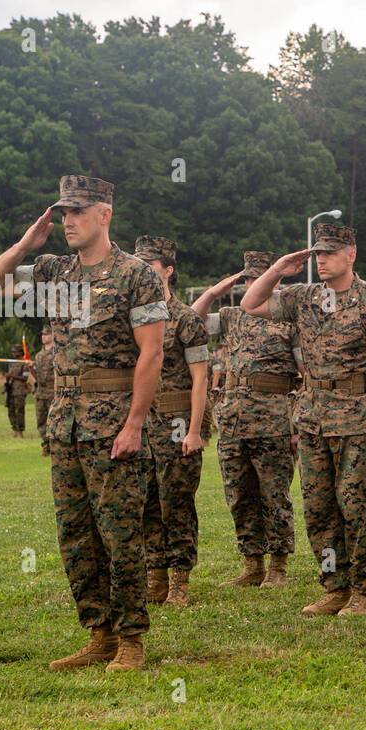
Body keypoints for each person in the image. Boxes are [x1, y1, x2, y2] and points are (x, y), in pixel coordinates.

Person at [0, 175, 168, 672]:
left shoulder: (135, 275)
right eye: (62, 212)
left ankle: (131, 640)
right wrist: (25, 243)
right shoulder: (52, 273)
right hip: (64, 423)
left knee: (120, 533)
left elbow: (152, 354)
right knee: (76, 534)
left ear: (105, 214)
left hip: (113, 423)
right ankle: (99, 633)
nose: (67, 221)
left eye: (77, 211)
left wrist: (134, 425)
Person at [239, 224, 366, 617]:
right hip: (314, 421)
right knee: (319, 510)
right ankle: (334, 586)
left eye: (331, 252)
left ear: (351, 255)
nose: (322, 259)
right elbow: (251, 303)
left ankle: (363, 593)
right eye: (318, 253)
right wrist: (278, 270)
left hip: (360, 423)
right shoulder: (304, 297)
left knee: (357, 508)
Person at [192, 252, 300, 589]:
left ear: (275, 279)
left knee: (274, 493)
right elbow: (191, 321)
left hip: (275, 418)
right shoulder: (229, 316)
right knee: (238, 494)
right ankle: (252, 564)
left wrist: (297, 423)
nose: (254, 284)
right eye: (249, 279)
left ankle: (278, 567)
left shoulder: (291, 317)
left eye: (261, 277)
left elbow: (306, 371)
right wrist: (213, 292)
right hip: (234, 418)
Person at [135, 236, 209, 607]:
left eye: (150, 264)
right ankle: (156, 577)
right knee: (147, 502)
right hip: (143, 424)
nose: (143, 270)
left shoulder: (185, 318)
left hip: (178, 422)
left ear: (168, 269)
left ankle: (180, 579)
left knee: (176, 503)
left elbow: (200, 378)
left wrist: (195, 430)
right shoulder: (133, 318)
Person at [28, 328, 55, 456]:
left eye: (46, 334)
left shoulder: (57, 353)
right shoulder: (38, 355)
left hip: (53, 392)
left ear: (53, 335)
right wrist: (30, 368)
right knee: (41, 421)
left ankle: (54, 445)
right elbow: (37, 376)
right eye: (42, 334)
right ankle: (45, 445)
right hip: (40, 392)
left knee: (53, 420)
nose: (43, 337)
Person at [5, 348, 30, 438]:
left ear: (20, 353)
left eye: (15, 352)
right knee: (11, 410)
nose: (13, 353)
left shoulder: (24, 363)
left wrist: (12, 376)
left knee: (19, 411)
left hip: (20, 390)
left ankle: (20, 430)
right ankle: (14, 429)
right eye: (12, 352)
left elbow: (25, 378)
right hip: (11, 390)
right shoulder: (11, 363)